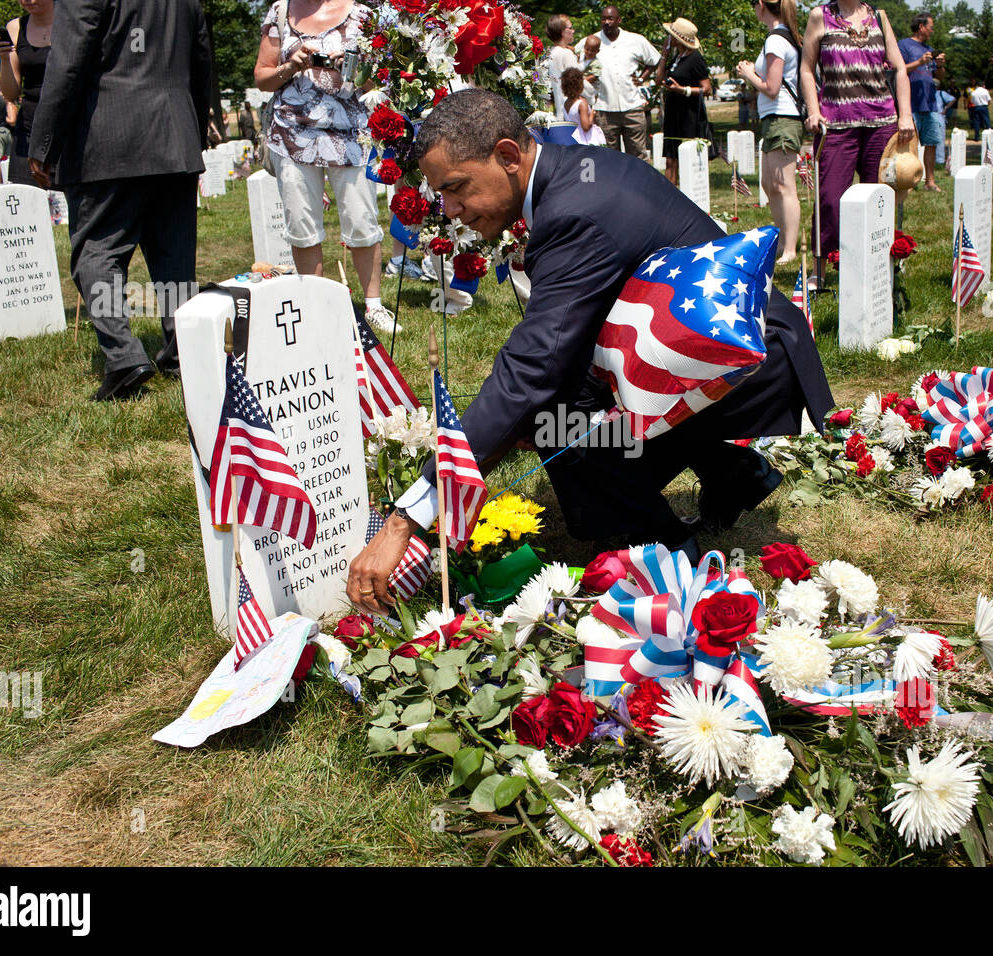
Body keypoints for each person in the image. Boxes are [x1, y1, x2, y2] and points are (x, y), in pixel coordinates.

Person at [345, 89, 835, 613]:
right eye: (441, 194)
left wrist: (406, 518)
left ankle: (659, 546)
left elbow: (532, 373)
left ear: (509, 157)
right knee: (564, 399)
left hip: (745, 360)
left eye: (456, 188)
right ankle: (731, 475)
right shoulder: (571, 171)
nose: (450, 209)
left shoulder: (572, 215)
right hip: (719, 346)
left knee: (555, 417)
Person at [29, 0, 213, 401]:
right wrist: (193, 133)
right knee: (174, 258)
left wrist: (43, 143)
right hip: (174, 134)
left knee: (97, 253)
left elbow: (67, 66)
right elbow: (202, 63)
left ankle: (125, 359)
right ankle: (182, 351)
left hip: (110, 139)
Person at [254, 0, 396, 332]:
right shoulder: (280, 11)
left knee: (362, 220)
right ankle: (314, 307)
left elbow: (381, 81)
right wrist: (291, 66)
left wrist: (350, 65)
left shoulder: (362, 13)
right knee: (302, 225)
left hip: (349, 134)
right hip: (292, 136)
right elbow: (262, 77)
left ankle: (373, 306)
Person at [800, 0, 914, 272]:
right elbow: (806, 69)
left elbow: (899, 69)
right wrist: (813, 111)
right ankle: (821, 269)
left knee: (879, 200)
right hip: (836, 125)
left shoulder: (879, 17)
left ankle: (879, 265)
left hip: (882, 124)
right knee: (830, 200)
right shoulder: (820, 16)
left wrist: (905, 114)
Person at [738, 0, 804, 264]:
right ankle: (783, 241)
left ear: (762, 5)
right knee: (769, 183)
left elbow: (772, 87)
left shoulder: (776, 40)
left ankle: (789, 248)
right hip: (774, 118)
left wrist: (747, 74)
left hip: (783, 117)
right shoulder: (779, 36)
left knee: (784, 185)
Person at [576, 6, 659, 159]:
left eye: (610, 19)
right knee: (608, 158)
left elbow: (655, 60)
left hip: (632, 107)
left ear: (619, 20)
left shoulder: (635, 40)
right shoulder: (590, 41)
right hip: (604, 110)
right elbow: (573, 61)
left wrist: (642, 78)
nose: (606, 22)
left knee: (638, 157)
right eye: (603, 19)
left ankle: (639, 183)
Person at [0, 0, 55, 188]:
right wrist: (4, 59)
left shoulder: (72, 21)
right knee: (29, 203)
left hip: (70, 123)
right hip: (30, 126)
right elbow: (10, 93)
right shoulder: (15, 27)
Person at [657, 17, 710, 186]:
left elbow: (707, 89)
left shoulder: (695, 59)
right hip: (673, 114)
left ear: (678, 38)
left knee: (685, 159)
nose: (668, 39)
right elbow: (659, 80)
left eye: (670, 36)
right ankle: (669, 197)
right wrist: (664, 56)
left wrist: (683, 90)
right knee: (670, 158)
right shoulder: (676, 58)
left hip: (688, 115)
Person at [898, 12, 945, 191]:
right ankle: (908, 181)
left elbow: (939, 77)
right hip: (911, 103)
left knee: (931, 143)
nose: (932, 31)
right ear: (921, 27)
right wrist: (919, 61)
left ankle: (930, 181)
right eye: (931, 27)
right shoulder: (904, 45)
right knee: (909, 144)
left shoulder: (929, 48)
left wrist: (940, 65)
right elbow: (898, 69)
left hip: (930, 104)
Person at [561, 68, 606, 146]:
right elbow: (585, 127)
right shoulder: (582, 104)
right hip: (585, 139)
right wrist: (592, 114)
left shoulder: (566, 103)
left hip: (572, 138)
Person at [545, 14, 578, 115]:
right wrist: (593, 94)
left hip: (558, 110)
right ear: (562, 32)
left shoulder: (549, 53)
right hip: (572, 110)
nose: (573, 31)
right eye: (570, 28)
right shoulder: (566, 54)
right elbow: (578, 82)